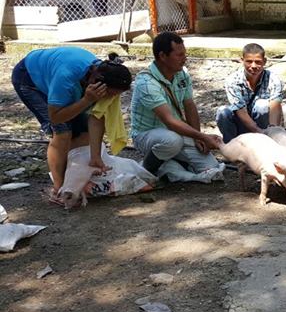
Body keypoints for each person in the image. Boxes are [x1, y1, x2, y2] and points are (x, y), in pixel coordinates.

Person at [12, 47, 132, 203]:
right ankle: (58, 189)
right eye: (110, 94)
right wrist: (86, 100)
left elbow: (96, 118)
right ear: (95, 83)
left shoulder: (103, 81)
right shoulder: (67, 77)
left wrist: (95, 157)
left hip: (63, 80)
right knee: (63, 132)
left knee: (82, 132)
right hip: (30, 79)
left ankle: (70, 180)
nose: (112, 98)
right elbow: (56, 117)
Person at [130, 32, 223, 181]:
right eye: (179, 55)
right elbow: (170, 121)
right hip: (149, 134)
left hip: (177, 132)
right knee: (172, 141)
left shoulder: (182, 74)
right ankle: (147, 169)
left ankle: (169, 162)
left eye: (184, 54)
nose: (184, 59)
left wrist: (198, 138)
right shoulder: (146, 83)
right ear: (162, 56)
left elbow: (189, 105)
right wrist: (203, 137)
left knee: (212, 168)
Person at [215, 43, 283, 143]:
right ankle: (232, 145)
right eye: (249, 62)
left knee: (262, 105)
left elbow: (275, 106)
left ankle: (263, 143)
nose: (253, 66)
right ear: (242, 61)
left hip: (264, 127)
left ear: (264, 61)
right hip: (242, 123)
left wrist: (273, 131)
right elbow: (240, 110)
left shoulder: (273, 79)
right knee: (222, 112)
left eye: (258, 62)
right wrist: (258, 131)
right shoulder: (233, 80)